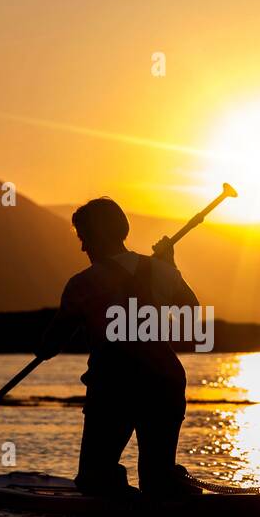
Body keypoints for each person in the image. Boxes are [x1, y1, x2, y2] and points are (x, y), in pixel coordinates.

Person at [37, 197, 201, 500]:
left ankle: (119, 499)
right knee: (157, 480)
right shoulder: (162, 271)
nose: (83, 248)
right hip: (164, 383)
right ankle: (164, 491)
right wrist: (170, 266)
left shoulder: (82, 284)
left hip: (114, 388)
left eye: (84, 238)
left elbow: (50, 344)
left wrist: (47, 345)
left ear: (98, 236)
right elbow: (191, 312)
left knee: (92, 479)